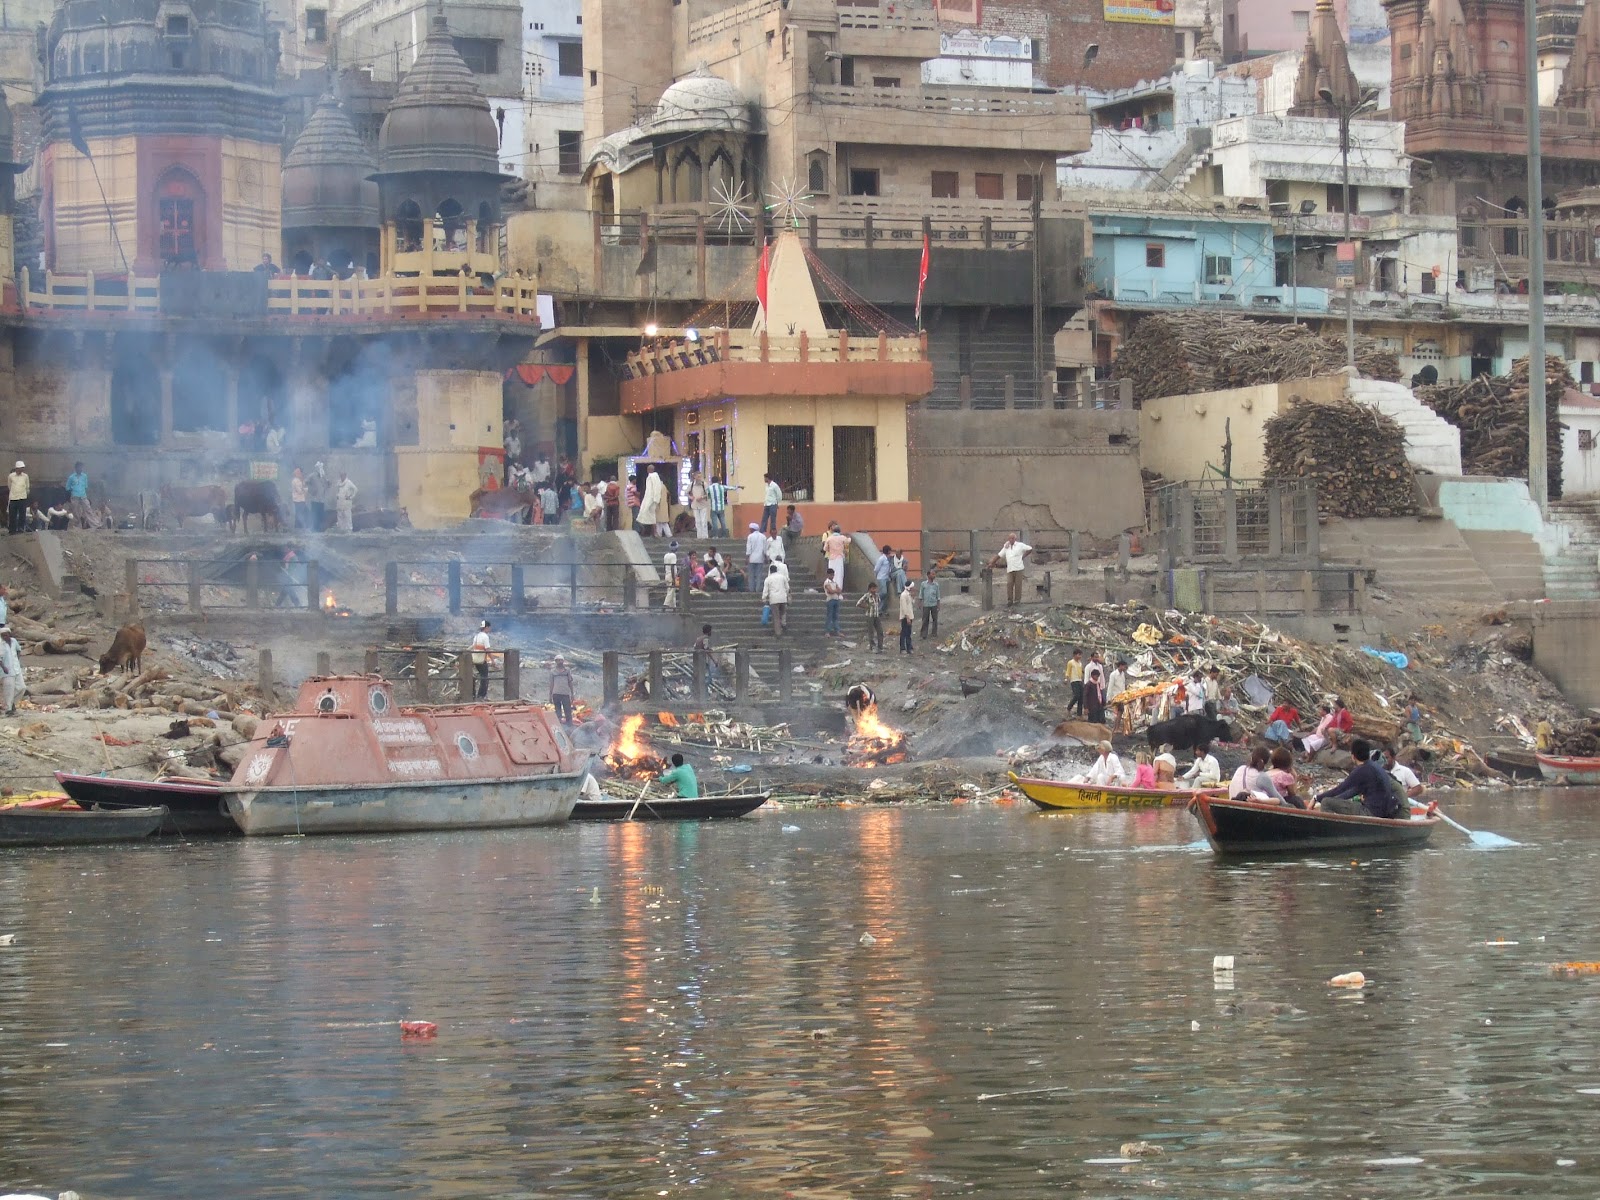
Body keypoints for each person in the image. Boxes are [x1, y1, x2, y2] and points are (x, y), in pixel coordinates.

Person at [1316, 740, 1404, 818]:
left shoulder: (1361, 770)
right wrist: (1337, 800)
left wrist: (1317, 798)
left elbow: (1340, 789)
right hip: (1382, 812)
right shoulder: (1373, 766)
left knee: (1326, 802)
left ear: (1353, 756)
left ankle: (1329, 830)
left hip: (1371, 813)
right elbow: (1353, 791)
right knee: (1330, 801)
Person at [992, 533, 1033, 607]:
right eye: (1009, 539)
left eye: (1012, 538)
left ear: (1015, 539)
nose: (1010, 540)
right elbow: (999, 555)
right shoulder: (1006, 547)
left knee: (1018, 585)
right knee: (1009, 584)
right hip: (1010, 569)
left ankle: (1017, 601)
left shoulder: (1020, 545)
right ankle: (1010, 600)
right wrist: (992, 562)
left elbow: (1030, 549)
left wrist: (1023, 556)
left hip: (1019, 568)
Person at [639, 465, 670, 537]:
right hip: (661, 505)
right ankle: (660, 534)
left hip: (658, 505)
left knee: (660, 522)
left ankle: (662, 534)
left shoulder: (654, 481)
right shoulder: (663, 486)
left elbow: (652, 493)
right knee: (660, 522)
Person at [762, 562, 789, 636]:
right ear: (776, 570)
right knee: (783, 613)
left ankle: (778, 633)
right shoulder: (782, 577)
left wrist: (764, 599)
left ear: (770, 571)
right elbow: (787, 588)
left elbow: (765, 590)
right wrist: (787, 595)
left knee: (776, 616)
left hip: (774, 599)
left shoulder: (768, 579)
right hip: (783, 598)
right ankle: (783, 624)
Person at [856, 582, 885, 651]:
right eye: (873, 589)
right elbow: (858, 603)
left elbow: (878, 603)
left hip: (876, 615)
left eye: (875, 588)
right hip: (870, 616)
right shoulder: (867, 596)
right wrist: (866, 606)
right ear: (869, 589)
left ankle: (880, 646)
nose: (874, 590)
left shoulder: (877, 596)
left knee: (880, 631)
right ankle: (872, 646)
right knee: (871, 632)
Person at [0, 626, 21, 714]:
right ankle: (9, 709)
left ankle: (12, 703)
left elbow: (18, 650)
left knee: (21, 688)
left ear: (9, 634)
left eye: (6, 635)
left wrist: (17, 660)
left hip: (16, 668)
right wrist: (4, 667)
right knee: (9, 689)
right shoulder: (1, 644)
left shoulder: (14, 641)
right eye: (3, 636)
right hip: (7, 671)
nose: (5, 637)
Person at [823, 523, 849, 595]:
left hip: (831, 558)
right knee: (839, 574)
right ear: (839, 531)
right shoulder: (842, 537)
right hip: (839, 558)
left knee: (831, 574)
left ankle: (831, 589)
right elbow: (848, 541)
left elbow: (825, 548)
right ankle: (838, 591)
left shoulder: (829, 538)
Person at [549, 654, 575, 724]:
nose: (559, 662)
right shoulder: (553, 671)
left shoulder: (567, 671)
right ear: (556, 661)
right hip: (556, 694)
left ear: (563, 661)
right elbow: (551, 684)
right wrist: (550, 695)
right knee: (558, 712)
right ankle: (559, 726)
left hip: (565, 693)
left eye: (561, 660)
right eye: (558, 660)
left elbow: (570, 682)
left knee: (568, 711)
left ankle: (569, 726)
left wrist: (572, 694)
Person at [65, 461, 91, 529]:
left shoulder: (84, 476)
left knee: (88, 508)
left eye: (81, 467)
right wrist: (73, 490)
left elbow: (85, 486)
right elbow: (67, 487)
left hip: (83, 495)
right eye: (79, 467)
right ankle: (75, 526)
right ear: (76, 468)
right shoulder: (71, 477)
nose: (80, 468)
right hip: (75, 496)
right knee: (75, 511)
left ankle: (93, 524)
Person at [470, 620, 492, 700]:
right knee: (484, 677)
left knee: (479, 676)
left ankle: (473, 694)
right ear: (486, 627)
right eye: (489, 628)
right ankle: (481, 695)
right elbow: (487, 649)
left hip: (475, 659)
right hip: (481, 660)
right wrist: (493, 661)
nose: (490, 629)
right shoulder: (485, 637)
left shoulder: (476, 636)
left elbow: (473, 647)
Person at [918, 567, 941, 640]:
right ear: (928, 575)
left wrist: (938, 605)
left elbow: (938, 596)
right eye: (933, 574)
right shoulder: (923, 584)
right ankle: (923, 634)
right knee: (925, 620)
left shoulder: (936, 585)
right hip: (926, 604)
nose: (934, 575)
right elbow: (921, 594)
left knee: (935, 619)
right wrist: (920, 603)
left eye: (934, 574)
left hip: (934, 604)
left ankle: (934, 633)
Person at [306, 462, 330, 532]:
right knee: (314, 514)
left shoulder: (323, 476)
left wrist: (328, 484)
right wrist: (311, 490)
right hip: (315, 499)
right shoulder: (312, 476)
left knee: (320, 515)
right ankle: (314, 528)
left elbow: (327, 485)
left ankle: (320, 529)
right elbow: (306, 482)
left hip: (322, 499)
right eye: (319, 468)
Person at [6, 460, 27, 535]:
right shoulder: (11, 476)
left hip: (22, 498)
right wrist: (14, 492)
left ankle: (21, 529)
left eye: (23, 468)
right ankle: (12, 530)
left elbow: (27, 486)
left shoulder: (25, 476)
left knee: (22, 515)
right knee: (12, 515)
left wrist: (24, 494)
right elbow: (9, 486)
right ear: (17, 468)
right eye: (20, 468)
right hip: (13, 498)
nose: (22, 469)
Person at [744, 522, 766, 591]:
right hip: (760, 558)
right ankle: (758, 589)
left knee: (751, 575)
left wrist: (747, 558)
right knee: (759, 575)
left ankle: (751, 589)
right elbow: (765, 548)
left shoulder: (750, 536)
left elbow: (749, 548)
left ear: (752, 529)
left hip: (751, 559)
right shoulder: (763, 536)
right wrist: (766, 557)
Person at [1084, 661, 1106, 725]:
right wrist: (1086, 707)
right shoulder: (1088, 684)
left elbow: (1100, 694)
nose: (1097, 678)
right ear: (1092, 676)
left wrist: (1103, 702)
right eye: (1096, 676)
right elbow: (1085, 696)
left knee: (1101, 720)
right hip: (1092, 706)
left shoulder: (1097, 684)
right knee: (1093, 722)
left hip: (1098, 705)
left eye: (1098, 676)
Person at [689, 472, 710, 540]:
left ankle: (705, 536)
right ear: (694, 477)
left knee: (703, 520)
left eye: (700, 477)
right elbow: (686, 492)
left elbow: (708, 493)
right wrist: (691, 497)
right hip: (695, 505)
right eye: (698, 477)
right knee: (697, 521)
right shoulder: (691, 484)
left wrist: (702, 497)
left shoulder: (704, 484)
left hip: (703, 504)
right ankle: (699, 536)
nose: (699, 478)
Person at [823, 567, 843, 637]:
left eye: (833, 575)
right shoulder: (827, 582)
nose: (832, 576)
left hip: (836, 599)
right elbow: (830, 591)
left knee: (835, 616)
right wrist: (836, 591)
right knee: (829, 616)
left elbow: (839, 590)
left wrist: (835, 591)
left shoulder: (834, 582)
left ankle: (837, 631)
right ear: (828, 575)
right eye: (831, 575)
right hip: (830, 600)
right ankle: (827, 631)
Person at [1065, 648, 1085, 717]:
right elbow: (1068, 671)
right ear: (1074, 655)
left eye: (1080, 655)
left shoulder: (1080, 663)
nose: (1080, 656)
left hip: (1080, 680)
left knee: (1081, 697)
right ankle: (1068, 708)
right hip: (1074, 680)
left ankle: (1079, 714)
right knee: (1076, 695)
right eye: (1079, 655)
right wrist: (1066, 679)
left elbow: (1081, 671)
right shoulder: (1071, 662)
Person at [897, 580, 916, 654]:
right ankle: (902, 648)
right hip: (905, 617)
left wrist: (913, 596)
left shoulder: (908, 594)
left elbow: (911, 603)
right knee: (904, 632)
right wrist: (907, 617)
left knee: (908, 633)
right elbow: (904, 607)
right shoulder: (903, 595)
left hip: (910, 616)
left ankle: (909, 647)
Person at [874, 545, 893, 615]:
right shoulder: (881, 559)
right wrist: (877, 576)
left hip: (887, 578)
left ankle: (882, 610)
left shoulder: (888, 559)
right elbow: (876, 569)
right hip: (881, 578)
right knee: (883, 592)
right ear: (888, 551)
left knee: (886, 595)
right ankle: (876, 599)